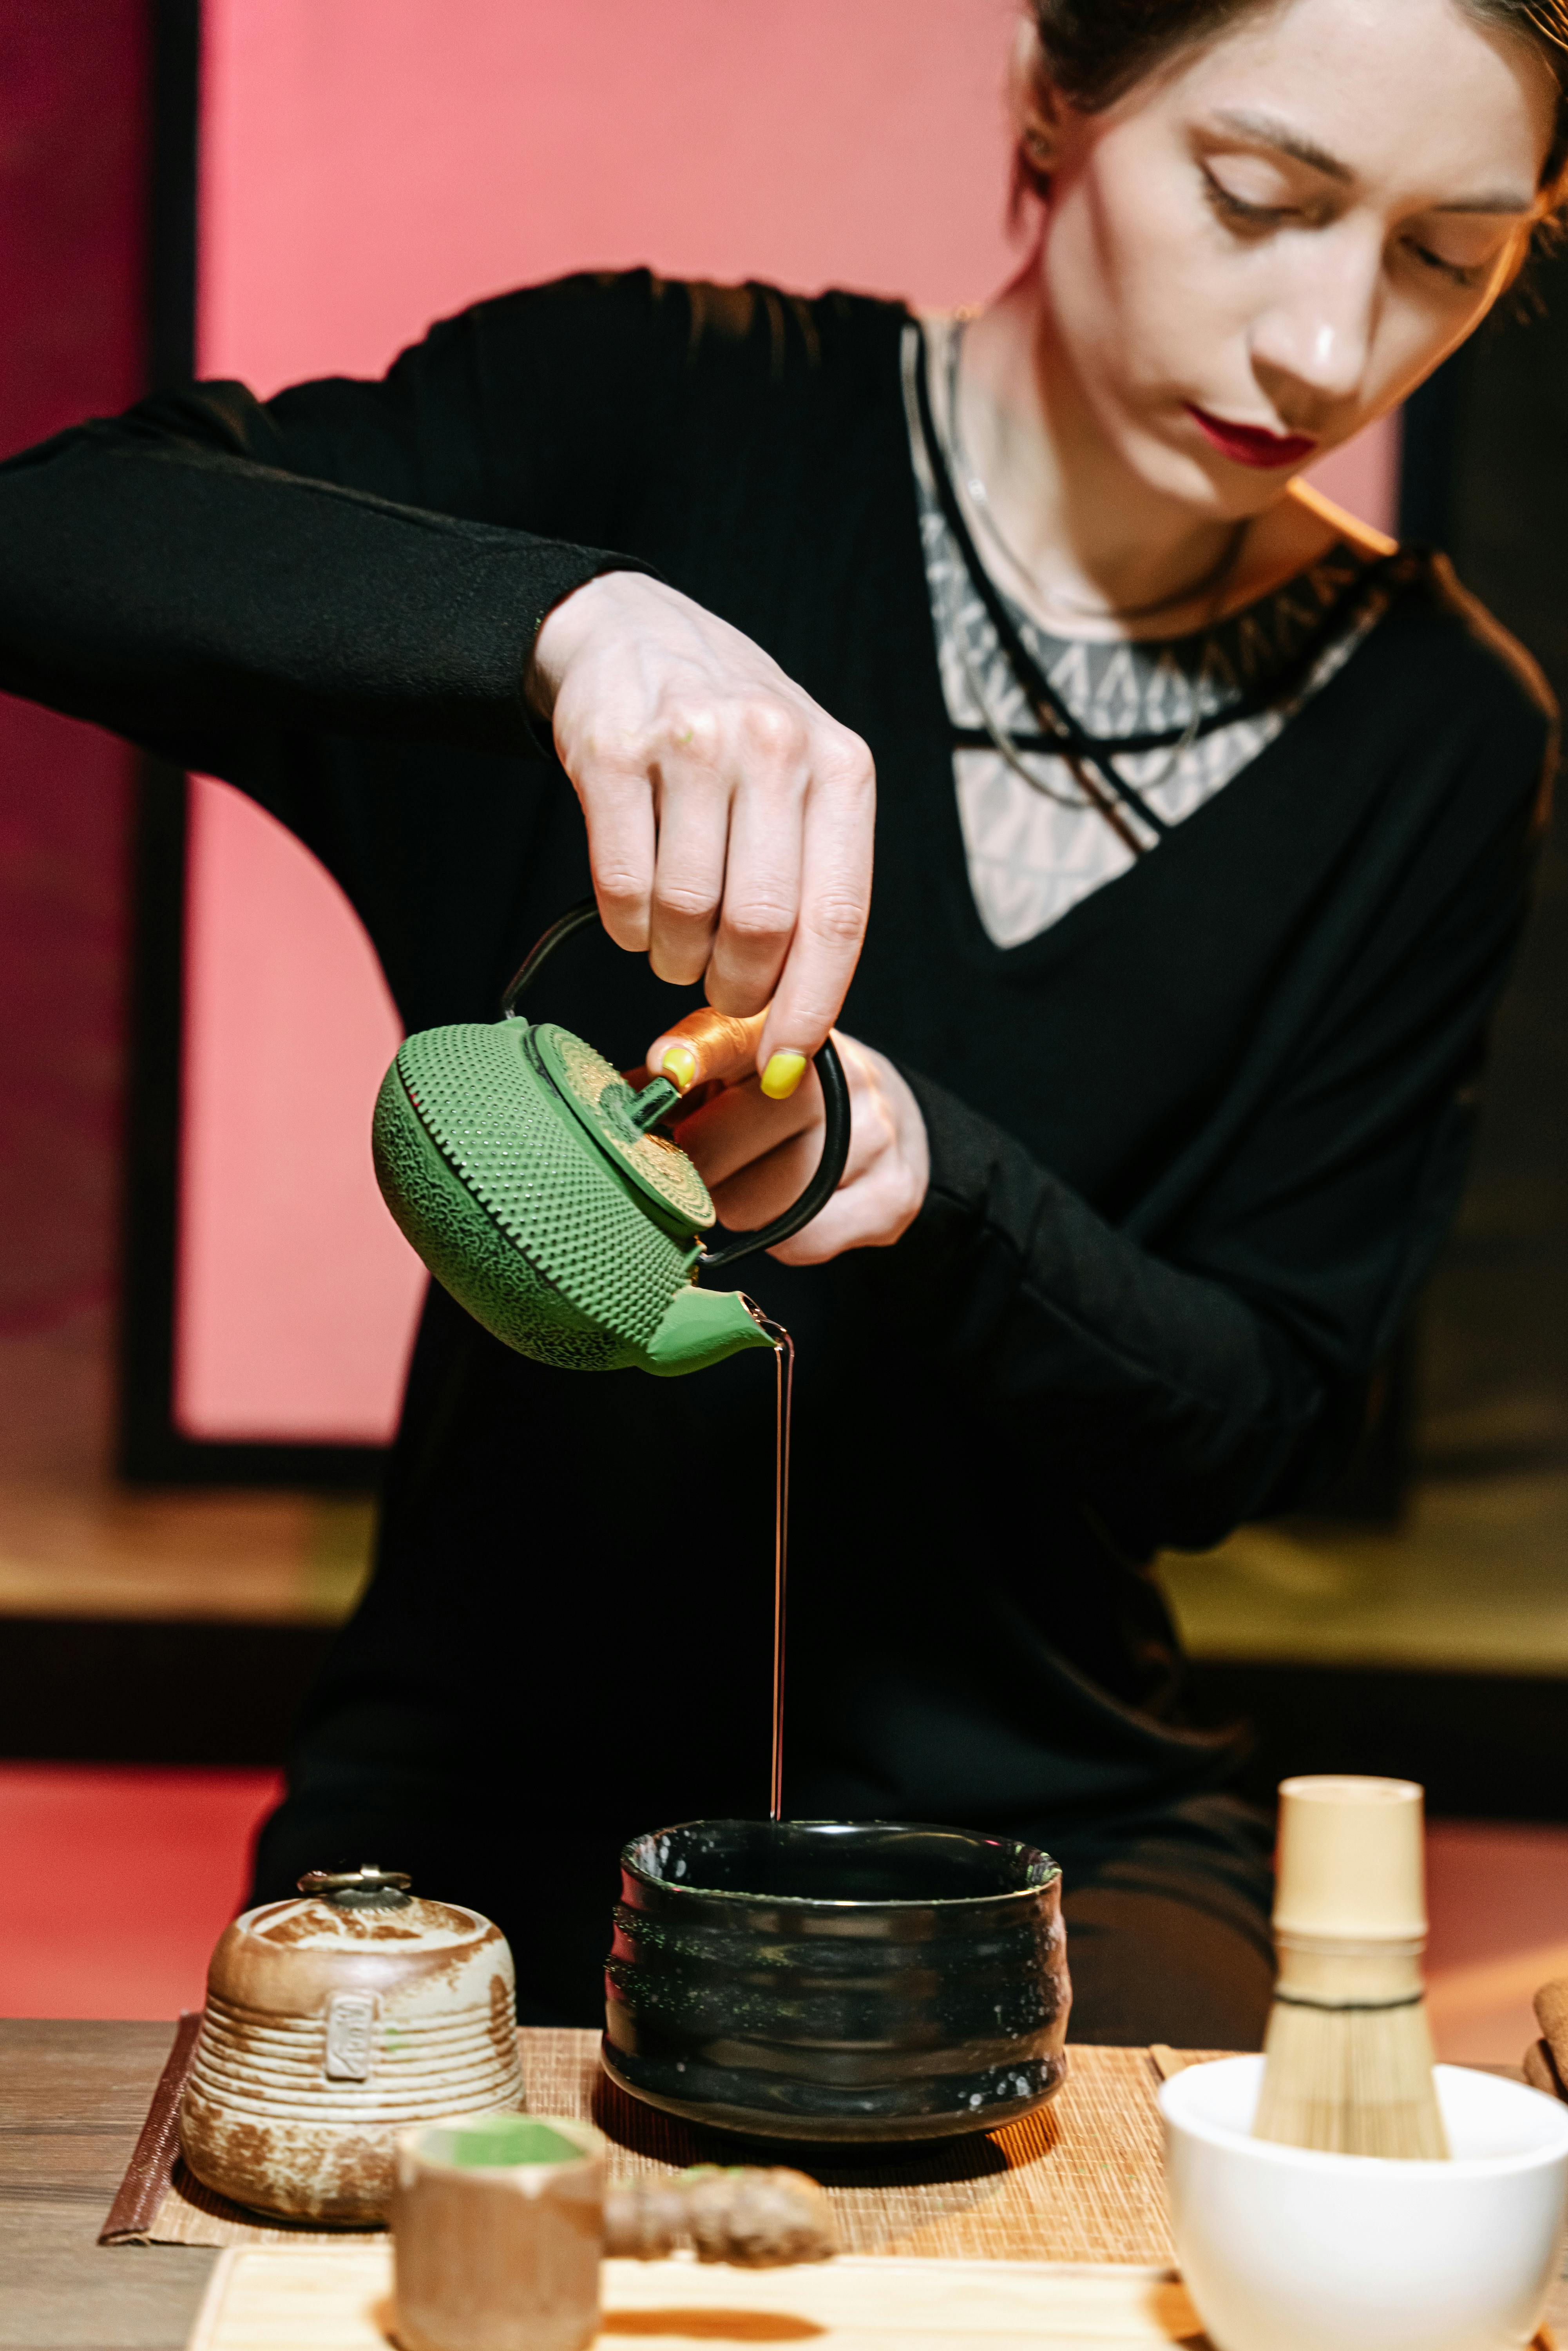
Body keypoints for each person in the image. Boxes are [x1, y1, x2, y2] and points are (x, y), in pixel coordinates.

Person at [0, 0, 1561, 2046]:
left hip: (1050, 1819)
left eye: (1448, 257)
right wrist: (567, 622)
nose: (1330, 350)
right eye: (1259, 200)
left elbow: (1251, 1418)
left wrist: (932, 1181)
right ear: (1050, 99)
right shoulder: (659, 407)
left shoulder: (1434, 730)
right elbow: (52, 533)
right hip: (489, 1787)